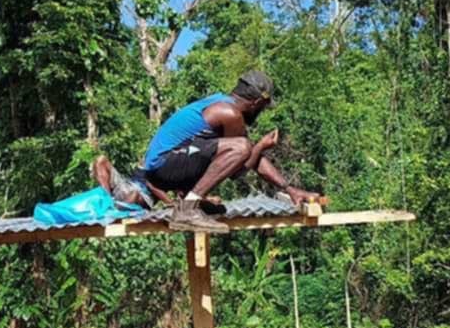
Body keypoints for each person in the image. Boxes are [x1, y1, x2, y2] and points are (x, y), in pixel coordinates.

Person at [95, 69, 320, 232]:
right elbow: (238, 169)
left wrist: (289, 189)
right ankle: (188, 208)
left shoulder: (222, 104)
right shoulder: (230, 113)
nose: (261, 113)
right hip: (163, 168)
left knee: (241, 148)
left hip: (171, 166)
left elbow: (249, 159)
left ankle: (193, 202)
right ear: (255, 103)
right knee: (242, 146)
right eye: (262, 108)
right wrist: (260, 145)